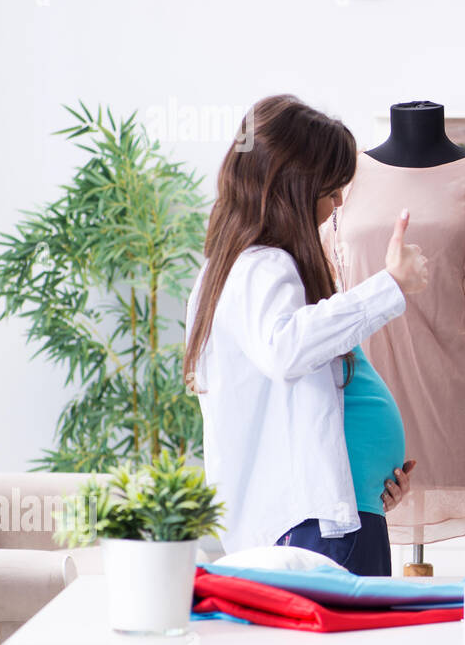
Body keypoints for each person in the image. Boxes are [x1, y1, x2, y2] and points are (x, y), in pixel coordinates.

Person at [183, 94, 430, 575]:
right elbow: (285, 348)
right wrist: (389, 285)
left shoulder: (233, 270)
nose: (338, 202)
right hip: (316, 528)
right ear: (290, 184)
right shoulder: (260, 265)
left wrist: (369, 476)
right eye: (331, 188)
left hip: (338, 513)